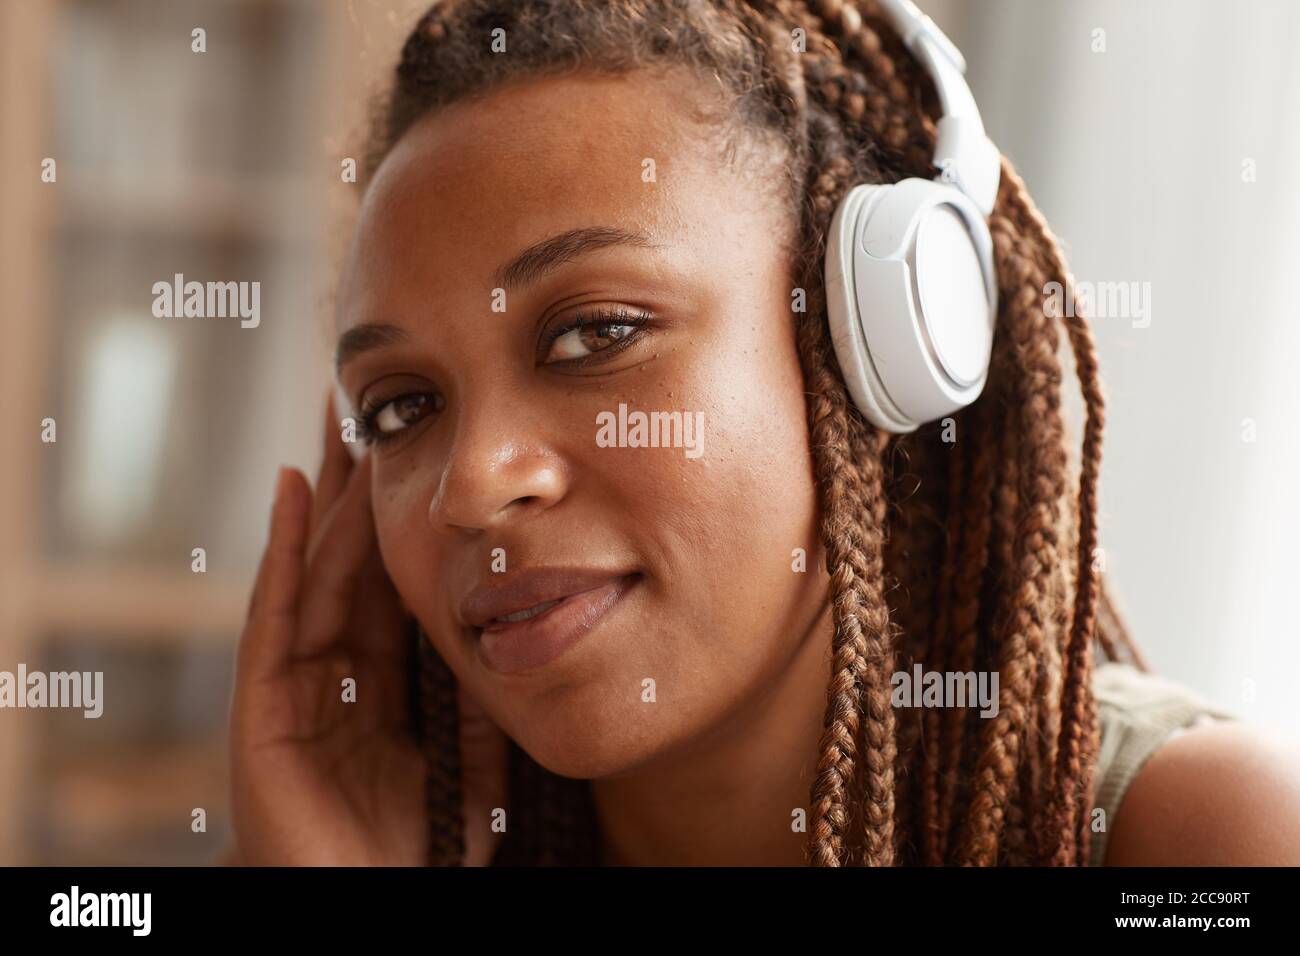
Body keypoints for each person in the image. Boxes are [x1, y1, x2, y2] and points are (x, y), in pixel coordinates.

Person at [223, 0, 1300, 866]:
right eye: (402, 407)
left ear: (879, 335)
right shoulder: (386, 828)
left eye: (595, 332)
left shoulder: (1207, 838)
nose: (469, 485)